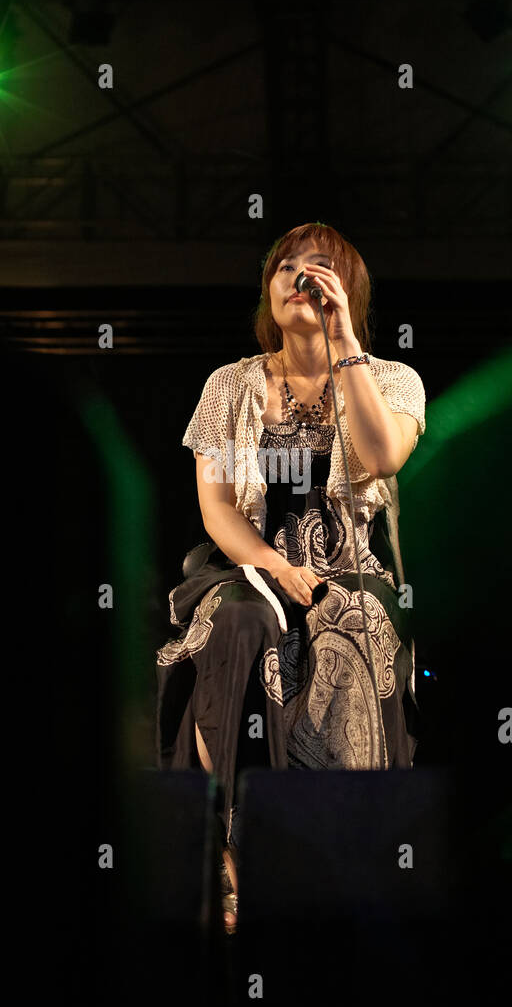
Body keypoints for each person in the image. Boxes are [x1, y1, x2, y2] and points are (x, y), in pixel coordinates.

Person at [155, 222, 426, 933]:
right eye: (283, 266)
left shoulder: (392, 379)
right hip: (247, 562)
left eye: (318, 268)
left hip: (351, 568)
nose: (297, 278)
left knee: (357, 617)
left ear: (347, 290)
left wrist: (345, 347)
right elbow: (216, 508)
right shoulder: (229, 385)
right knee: (243, 619)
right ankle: (234, 855)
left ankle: (350, 844)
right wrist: (273, 565)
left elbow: (380, 458)